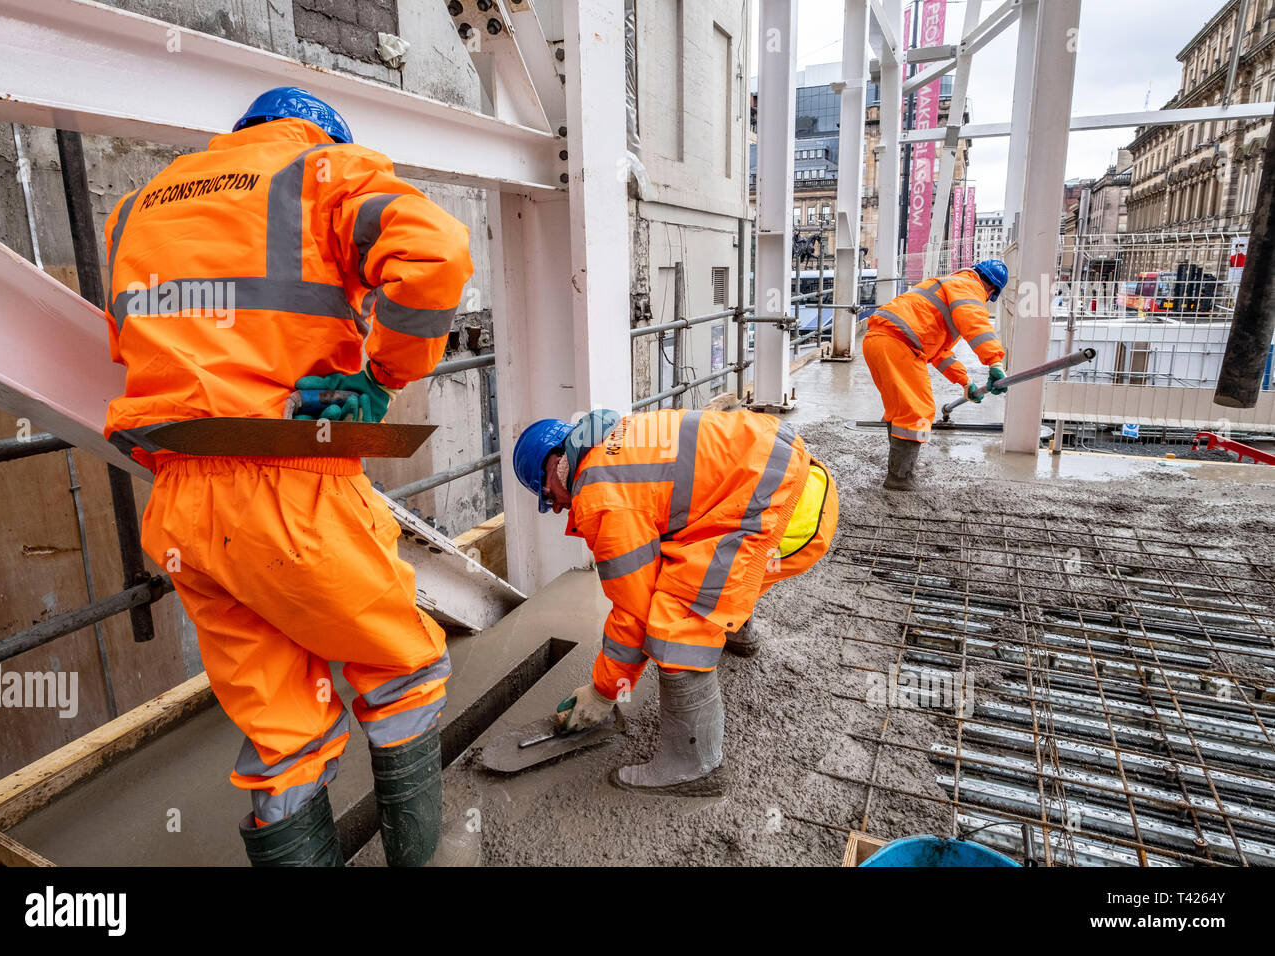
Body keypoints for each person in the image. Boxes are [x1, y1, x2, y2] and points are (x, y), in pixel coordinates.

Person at [100, 87, 473, 866]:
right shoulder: (322, 171)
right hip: (289, 482)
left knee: (282, 727)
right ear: (317, 130)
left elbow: (135, 348)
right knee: (401, 670)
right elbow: (437, 252)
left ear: (238, 132)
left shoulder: (133, 209)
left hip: (180, 506)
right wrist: (381, 375)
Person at [511, 408, 839, 792]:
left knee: (672, 623)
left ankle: (694, 765)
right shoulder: (616, 440)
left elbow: (633, 612)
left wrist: (604, 693)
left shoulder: (602, 496)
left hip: (790, 522)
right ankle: (736, 630)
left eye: (546, 493)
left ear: (556, 462)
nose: (555, 506)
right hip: (800, 479)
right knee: (686, 555)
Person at [863, 259, 1010, 490]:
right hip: (900, 345)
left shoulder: (947, 286)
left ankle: (901, 468)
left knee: (901, 409)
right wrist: (995, 362)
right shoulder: (969, 287)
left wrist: (965, 382)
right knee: (919, 412)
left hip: (879, 341)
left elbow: (939, 352)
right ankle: (900, 478)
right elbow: (977, 325)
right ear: (991, 290)